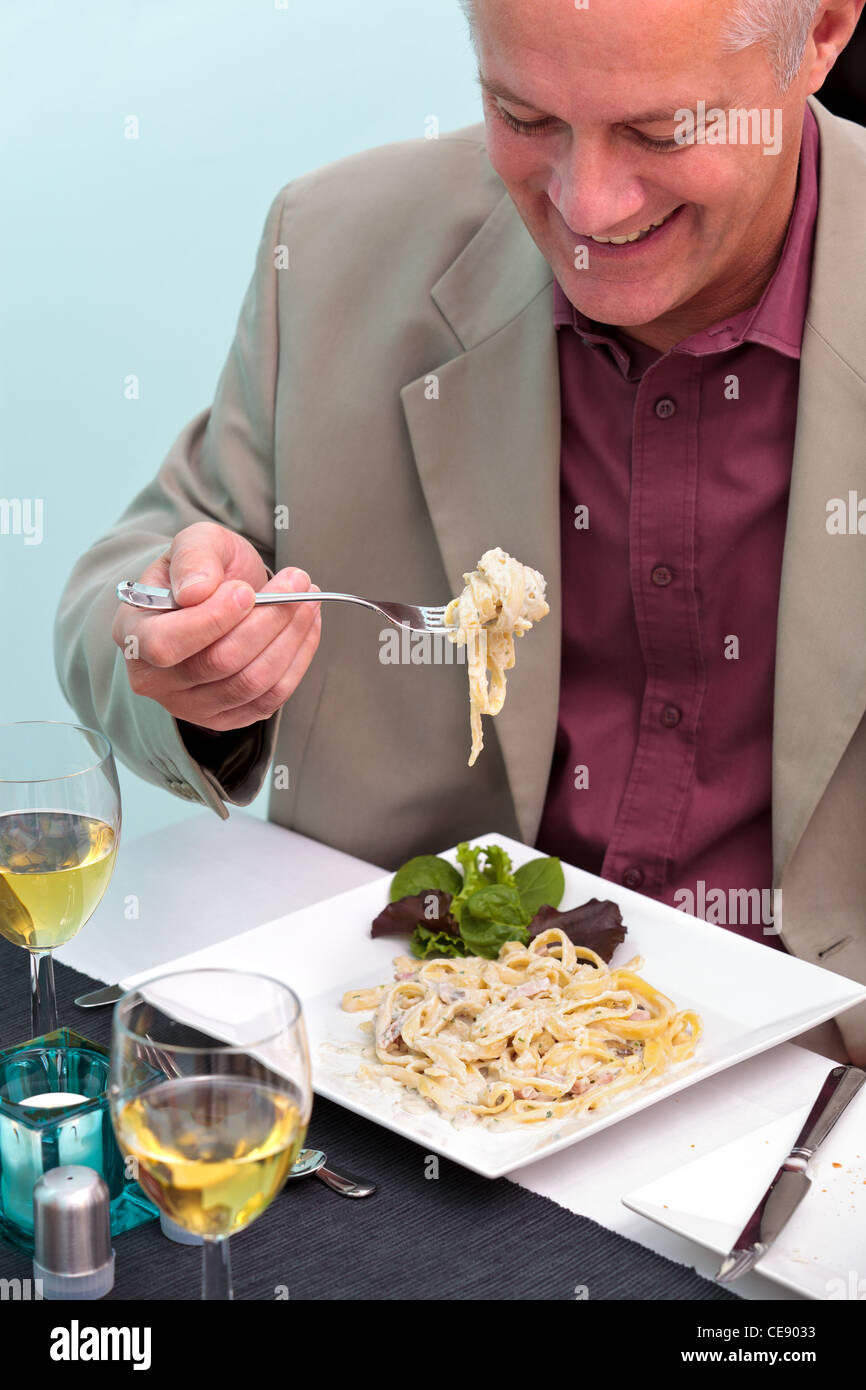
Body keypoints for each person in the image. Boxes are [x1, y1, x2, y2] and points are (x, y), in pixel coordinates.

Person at [55, 0, 866, 1062]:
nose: (586, 203)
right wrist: (190, 662)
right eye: (521, 116)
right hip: (408, 1057)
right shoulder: (336, 243)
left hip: (820, 1092)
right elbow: (116, 597)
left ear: (820, 33)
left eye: (659, 133)